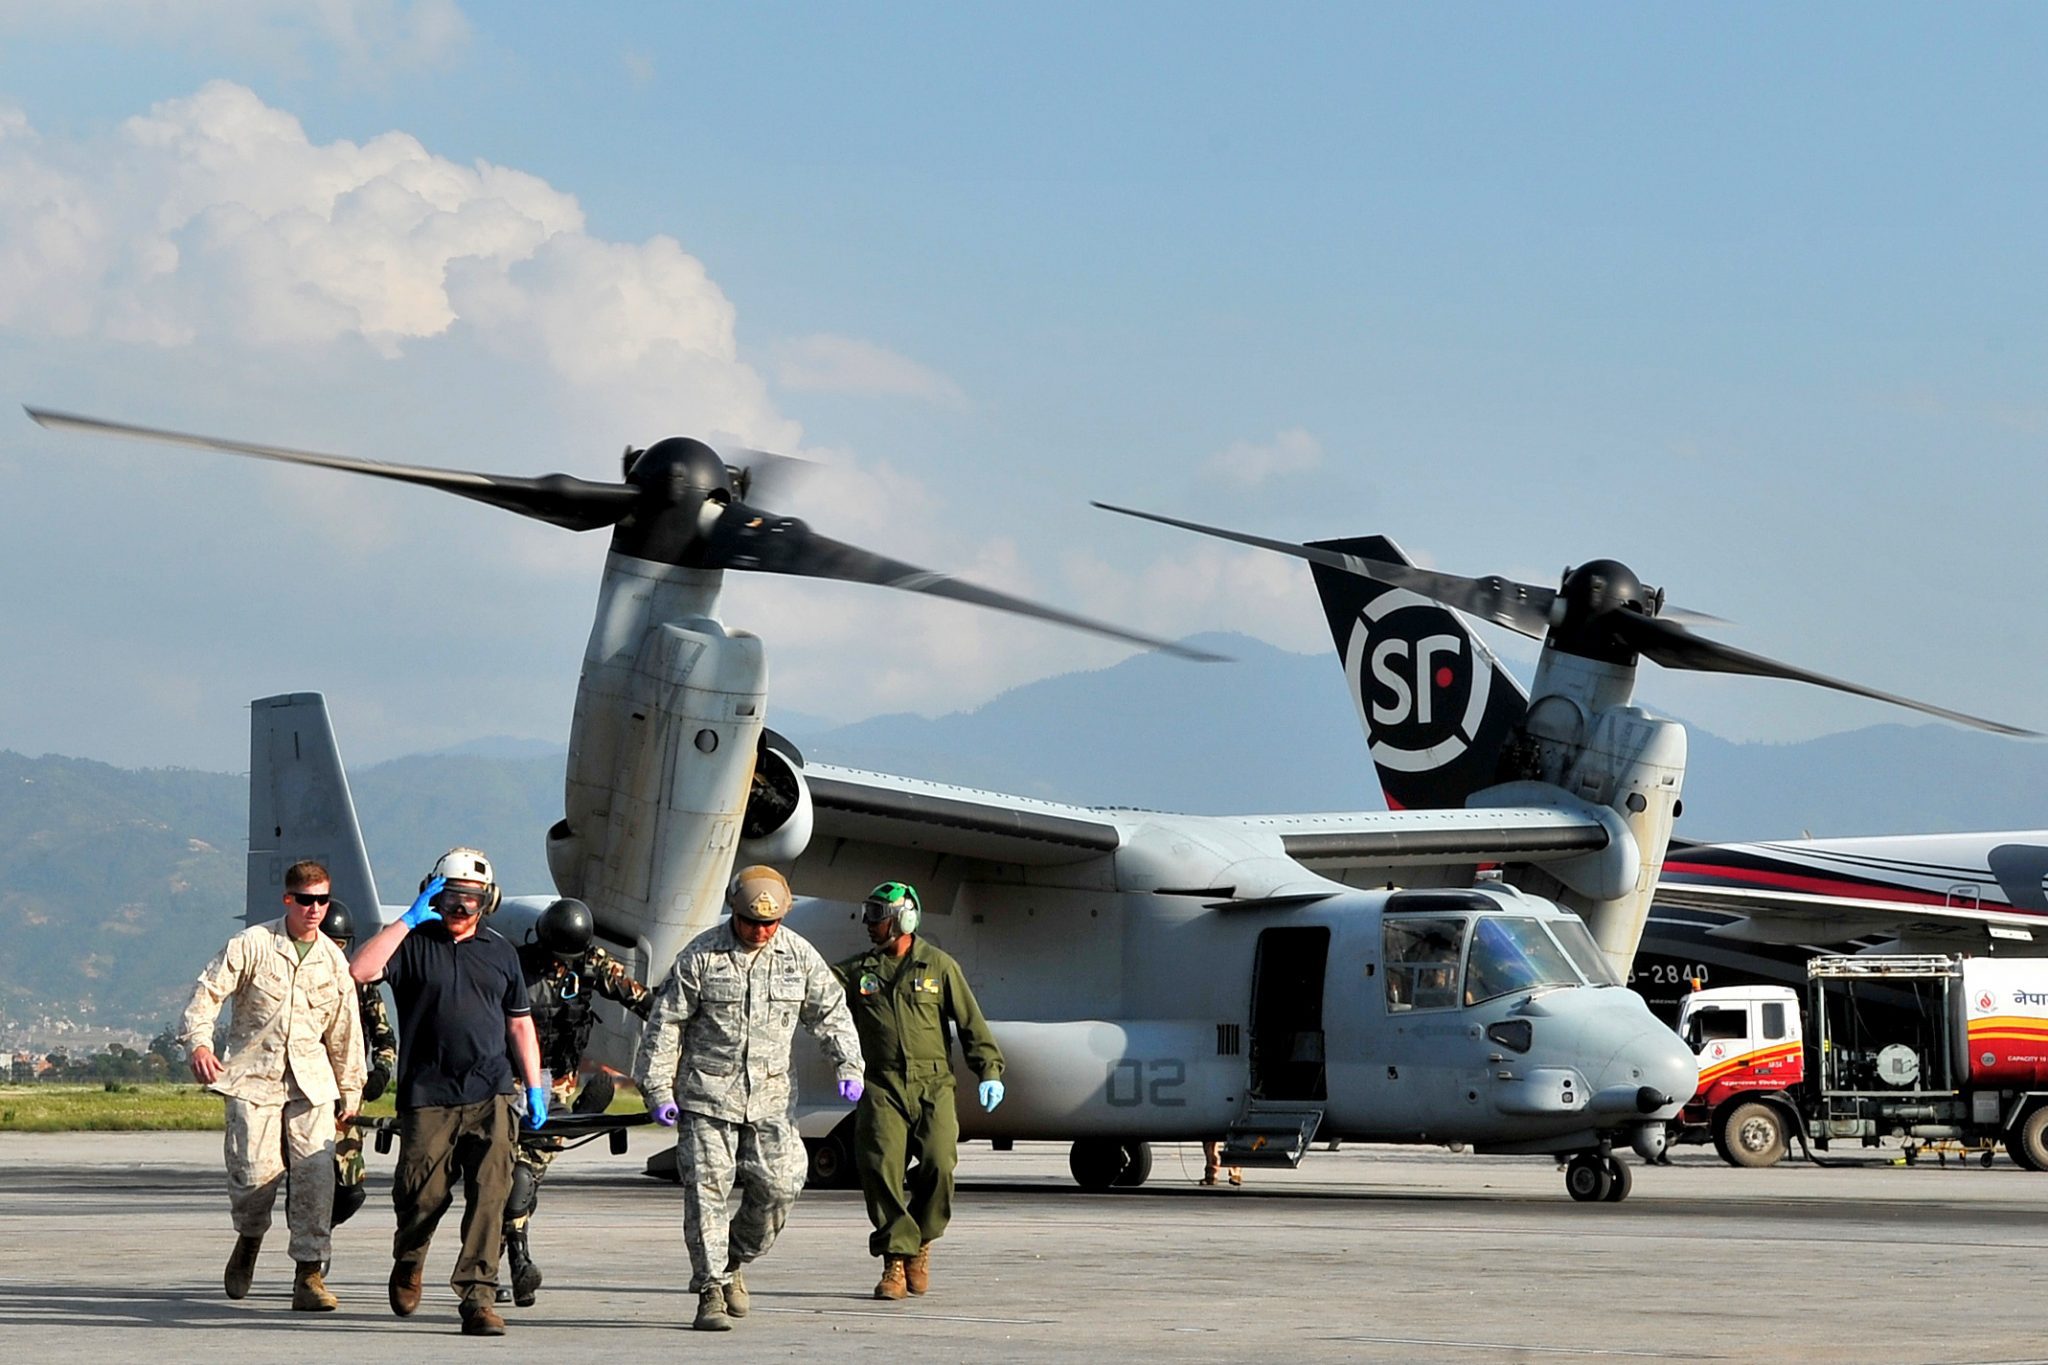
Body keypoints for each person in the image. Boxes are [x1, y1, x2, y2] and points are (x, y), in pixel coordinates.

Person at [634, 865, 865, 1332]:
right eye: (751, 922)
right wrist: (657, 1088)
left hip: (772, 1099)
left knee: (782, 1186)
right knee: (706, 1194)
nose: (760, 931)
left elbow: (831, 1013)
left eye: (770, 923)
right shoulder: (701, 957)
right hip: (706, 1098)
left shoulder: (798, 957)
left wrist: (849, 1065)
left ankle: (734, 1257)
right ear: (734, 912)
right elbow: (666, 1025)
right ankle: (710, 1290)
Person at [350, 847, 547, 1338]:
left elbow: (520, 1025)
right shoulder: (412, 944)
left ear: (489, 901)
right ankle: (409, 1258)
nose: (462, 909)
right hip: (428, 1094)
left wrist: (535, 1085)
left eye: (473, 900)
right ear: (434, 894)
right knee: (422, 1196)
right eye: (453, 897)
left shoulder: (501, 951)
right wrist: (406, 921)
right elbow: (360, 971)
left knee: (491, 1195)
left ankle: (478, 1297)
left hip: (492, 1091)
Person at [178, 859, 365, 1311]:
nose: (315, 909)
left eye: (323, 900)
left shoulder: (332, 961)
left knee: (316, 1180)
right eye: (306, 900)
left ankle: (309, 1275)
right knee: (252, 1177)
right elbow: (206, 995)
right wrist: (199, 1046)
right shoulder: (253, 944)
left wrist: (350, 1091)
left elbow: (345, 1031)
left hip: (311, 1085)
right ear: (289, 900)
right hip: (253, 1079)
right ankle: (249, 1238)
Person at [833, 881, 1005, 1301]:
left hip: (933, 1084)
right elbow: (814, 995)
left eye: (878, 915)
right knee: (880, 1167)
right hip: (881, 1083)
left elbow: (970, 1024)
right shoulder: (858, 972)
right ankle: (894, 1258)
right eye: (868, 914)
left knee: (939, 1163)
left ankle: (921, 1242)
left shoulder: (940, 967)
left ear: (904, 918)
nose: (869, 924)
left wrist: (989, 1071)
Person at [499, 897, 652, 1307]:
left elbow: (636, 996)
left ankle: (495, 1263)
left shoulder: (590, 964)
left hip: (560, 1083)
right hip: (515, 1083)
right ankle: (514, 1260)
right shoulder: (513, 966)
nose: (559, 966)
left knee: (524, 1176)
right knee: (515, 1175)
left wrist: (674, 1026)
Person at [318, 898, 397, 1230]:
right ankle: (310, 1253)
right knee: (309, 1183)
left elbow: (384, 1037)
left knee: (350, 1190)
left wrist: (381, 1070)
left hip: (347, 1099)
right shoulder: (294, 985)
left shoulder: (361, 987)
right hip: (305, 1095)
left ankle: (322, 1231)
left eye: (340, 945)